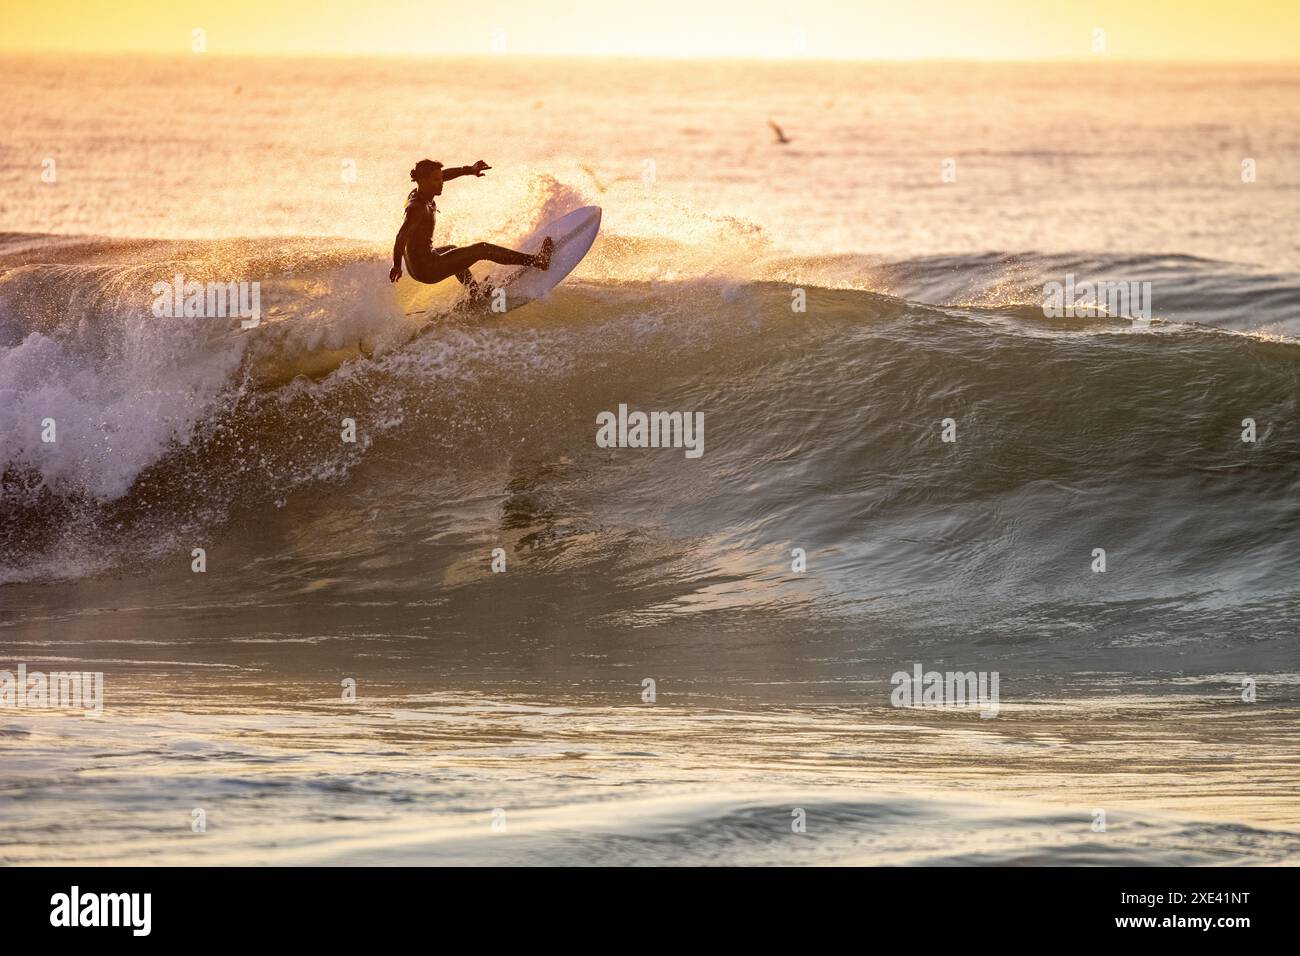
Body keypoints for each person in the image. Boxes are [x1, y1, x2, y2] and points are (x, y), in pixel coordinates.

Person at [388, 159, 552, 294]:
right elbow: (401, 236)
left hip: (419, 266)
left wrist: (469, 170)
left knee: (452, 250)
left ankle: (474, 292)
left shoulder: (419, 192)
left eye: (440, 178)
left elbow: (446, 174)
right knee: (482, 249)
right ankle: (538, 261)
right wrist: (396, 265)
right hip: (427, 269)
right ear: (422, 181)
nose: (441, 182)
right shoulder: (417, 208)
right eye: (436, 180)